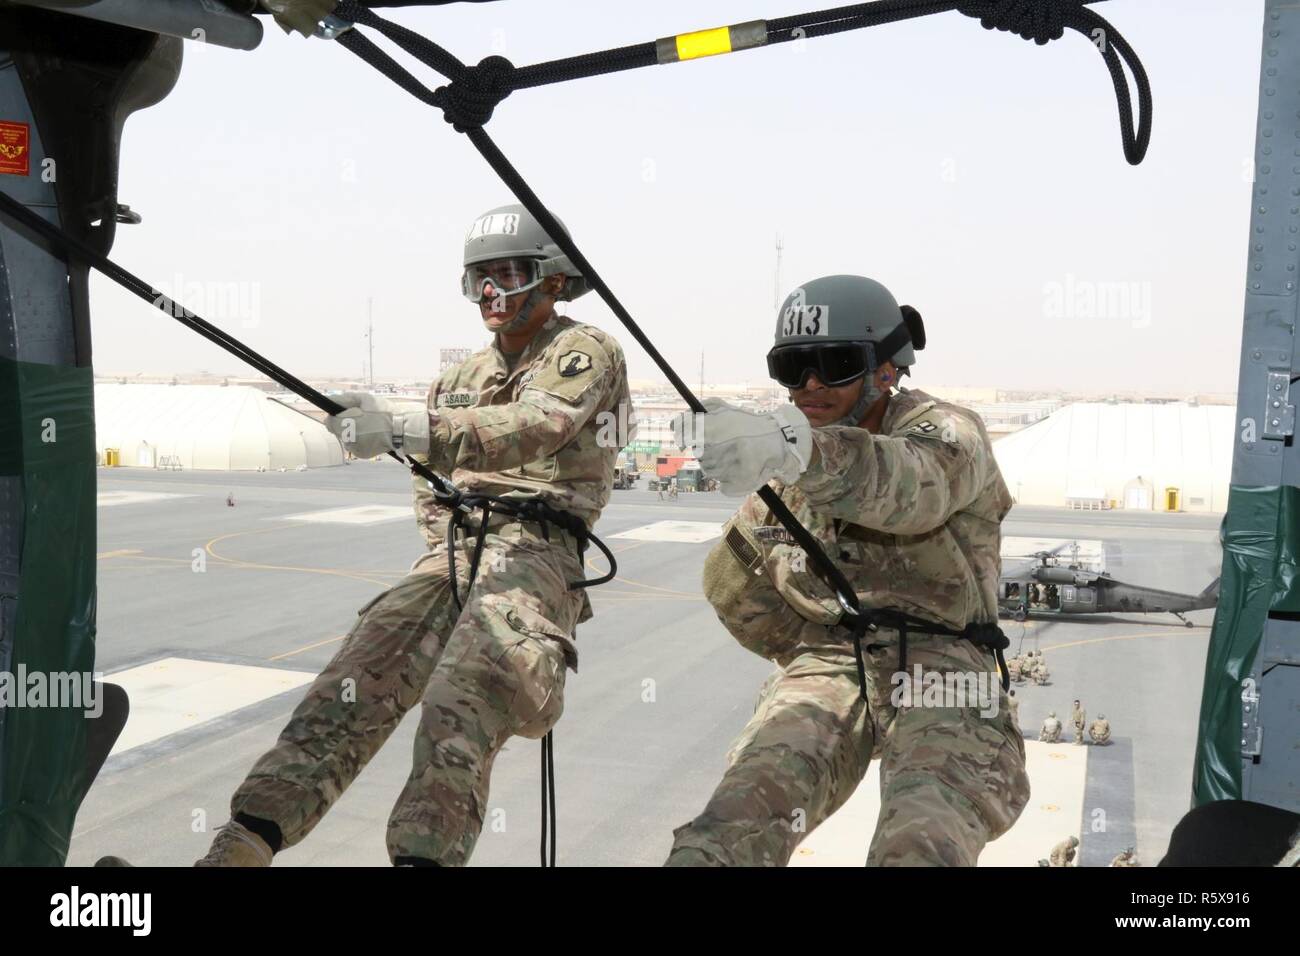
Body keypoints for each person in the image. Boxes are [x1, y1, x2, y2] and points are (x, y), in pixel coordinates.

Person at [100, 203, 632, 866]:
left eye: (509, 275)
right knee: (351, 684)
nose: (491, 294)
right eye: (480, 280)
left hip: (536, 553)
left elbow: (535, 426)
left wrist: (408, 429)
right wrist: (441, 527)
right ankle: (237, 852)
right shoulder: (460, 378)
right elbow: (428, 482)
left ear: (552, 282)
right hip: (453, 553)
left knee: (459, 703)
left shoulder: (583, 352)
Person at [664, 274, 1028, 867]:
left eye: (833, 364)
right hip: (833, 661)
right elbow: (732, 585)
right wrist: (811, 656)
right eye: (792, 367)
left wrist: (795, 449)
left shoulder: (947, 433)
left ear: (887, 368)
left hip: (944, 668)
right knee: (722, 837)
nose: (809, 386)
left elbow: (910, 486)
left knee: (918, 848)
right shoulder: (789, 462)